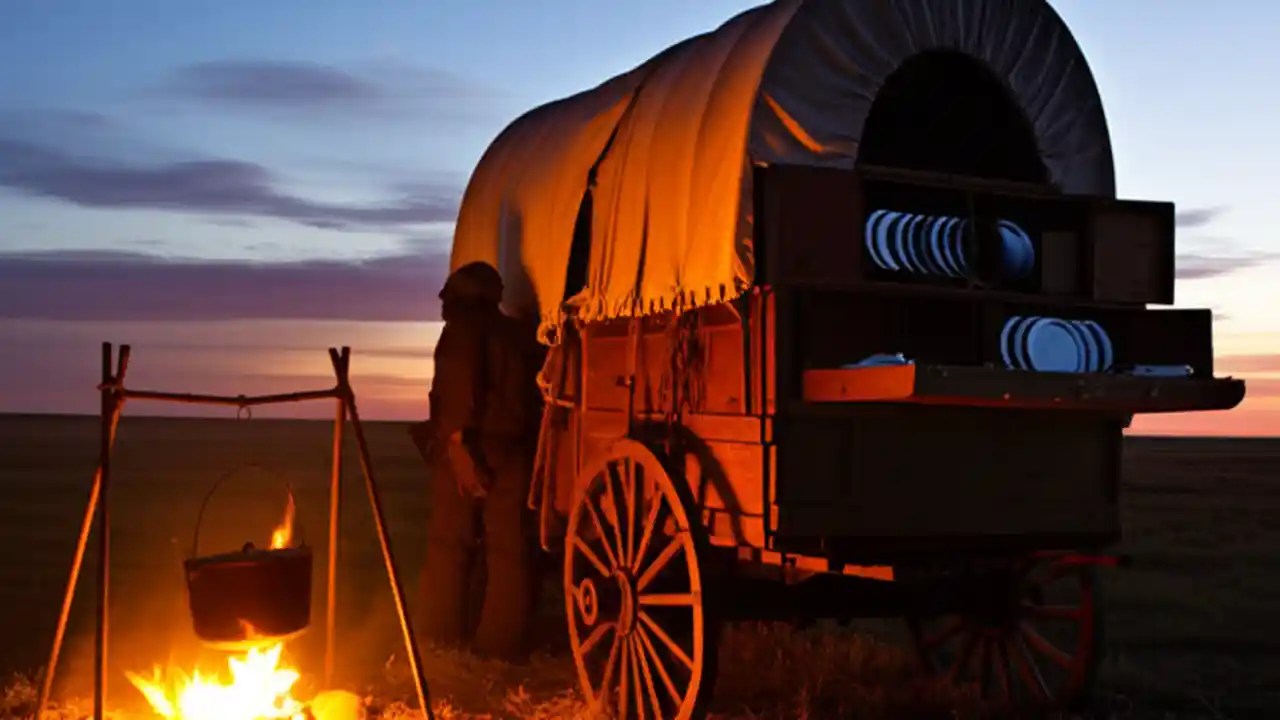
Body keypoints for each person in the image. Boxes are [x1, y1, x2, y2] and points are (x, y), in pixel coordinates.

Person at [416, 261, 542, 663]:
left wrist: (457, 448)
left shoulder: (461, 332)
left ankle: (439, 635)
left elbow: (459, 388)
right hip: (514, 451)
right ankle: (501, 646)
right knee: (509, 553)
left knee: (450, 545)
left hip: (473, 449)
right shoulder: (517, 336)